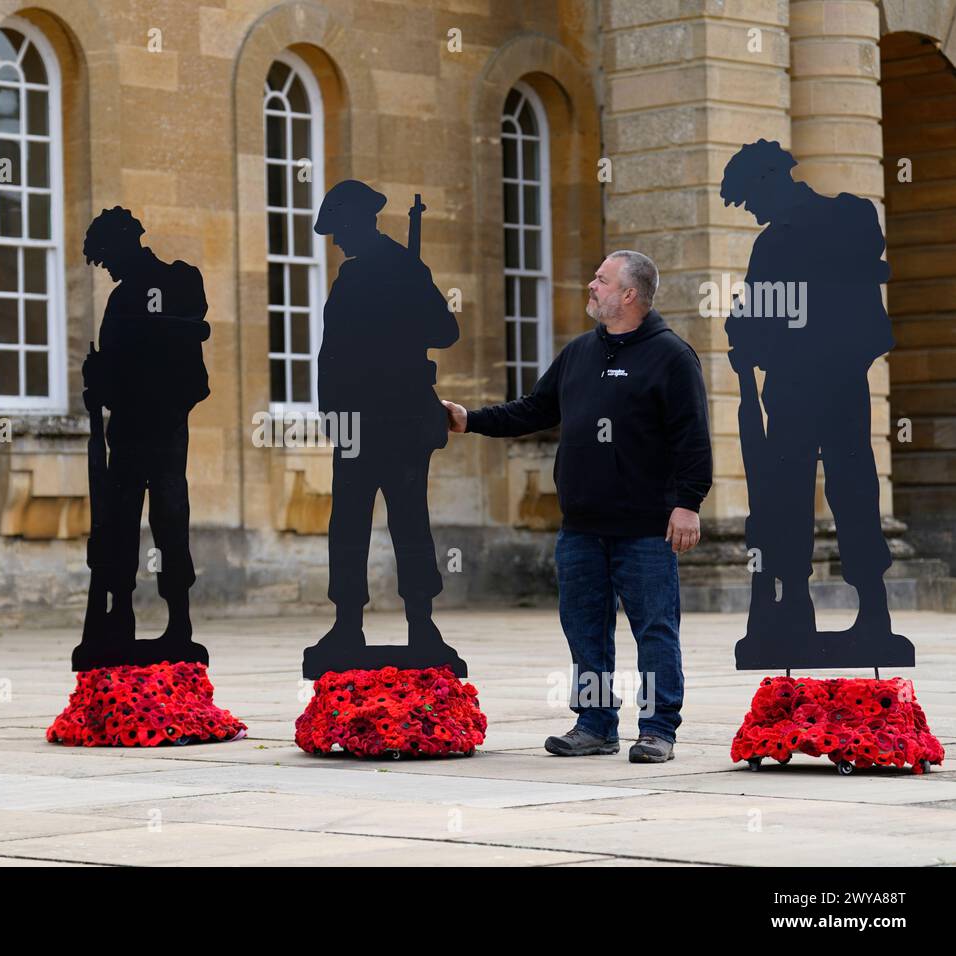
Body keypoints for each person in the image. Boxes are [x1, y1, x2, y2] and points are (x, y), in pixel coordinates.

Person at [444, 251, 711, 762]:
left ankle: (658, 729)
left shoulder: (672, 357)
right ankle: (595, 724)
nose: (590, 285)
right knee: (586, 630)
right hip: (581, 528)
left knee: (655, 629)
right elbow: (535, 410)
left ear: (629, 295)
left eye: (601, 280)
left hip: (645, 529)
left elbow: (692, 439)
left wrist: (688, 505)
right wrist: (469, 420)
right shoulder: (580, 353)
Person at [720, 139, 912, 668]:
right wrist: (748, 328)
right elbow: (766, 314)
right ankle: (795, 609)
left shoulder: (844, 215)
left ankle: (872, 611)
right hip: (801, 385)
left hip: (829, 380)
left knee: (849, 491)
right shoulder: (788, 237)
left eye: (750, 199)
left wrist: (753, 325)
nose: (752, 212)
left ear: (769, 181)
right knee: (790, 497)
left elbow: (833, 287)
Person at [302, 180, 464, 678]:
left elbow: (445, 332)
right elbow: (332, 354)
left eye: (338, 231)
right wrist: (331, 413)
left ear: (358, 223)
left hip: (399, 418)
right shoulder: (351, 277)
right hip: (355, 419)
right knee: (347, 525)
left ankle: (422, 623)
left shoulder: (406, 269)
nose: (335, 242)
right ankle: (347, 622)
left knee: (409, 523)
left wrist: (415, 301)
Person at [76, 206, 210, 666]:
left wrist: (121, 368)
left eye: (108, 256)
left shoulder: (180, 279)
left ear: (126, 245)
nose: (107, 268)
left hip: (165, 424)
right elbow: (115, 365)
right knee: (119, 526)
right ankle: (121, 617)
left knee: (171, 523)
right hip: (129, 429)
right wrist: (99, 380)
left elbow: (182, 341)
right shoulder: (120, 300)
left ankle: (179, 621)